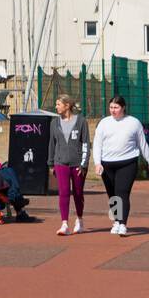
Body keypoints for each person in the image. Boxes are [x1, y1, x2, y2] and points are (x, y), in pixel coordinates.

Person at [92, 95, 149, 236]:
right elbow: (97, 144)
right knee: (112, 195)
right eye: (111, 107)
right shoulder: (104, 123)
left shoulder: (133, 122)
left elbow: (142, 144)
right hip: (107, 164)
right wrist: (97, 163)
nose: (113, 110)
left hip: (128, 162)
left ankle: (122, 223)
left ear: (123, 107)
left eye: (116, 107)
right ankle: (115, 220)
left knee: (122, 192)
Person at [47, 94, 89, 235]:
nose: (56, 107)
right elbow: (52, 144)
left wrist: (84, 164)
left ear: (67, 105)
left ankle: (79, 220)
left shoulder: (81, 122)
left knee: (78, 193)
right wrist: (51, 163)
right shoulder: (54, 123)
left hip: (77, 164)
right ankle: (64, 224)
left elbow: (85, 144)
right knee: (63, 193)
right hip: (60, 163)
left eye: (58, 104)